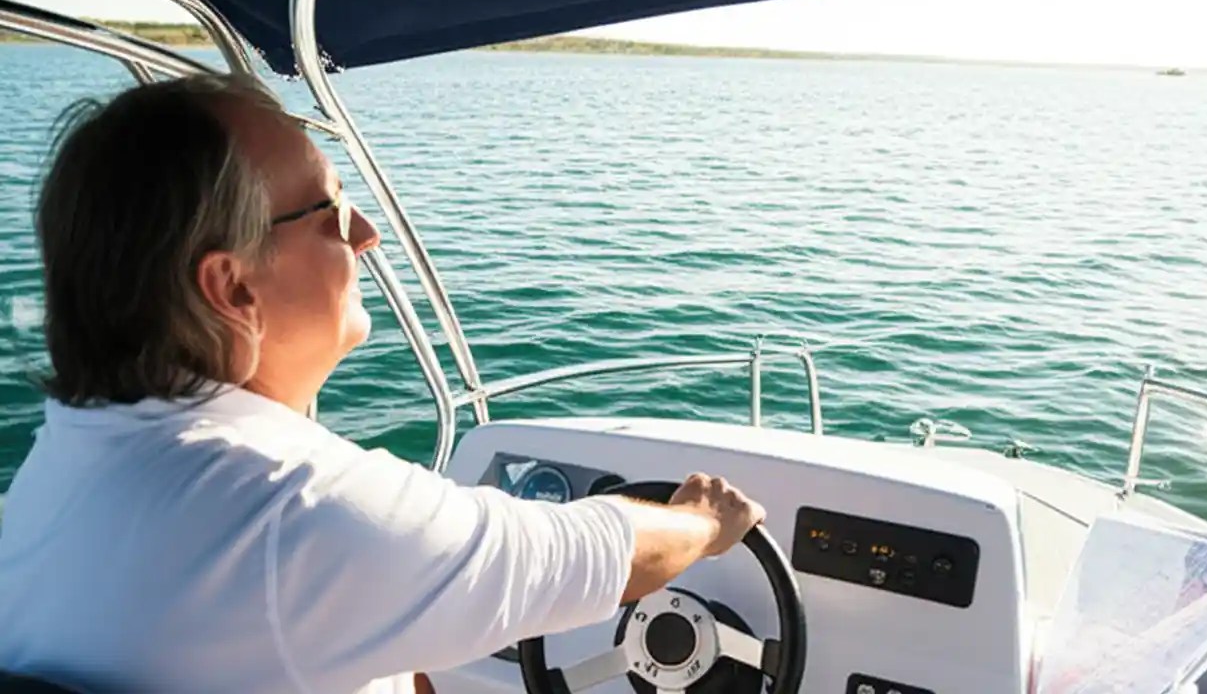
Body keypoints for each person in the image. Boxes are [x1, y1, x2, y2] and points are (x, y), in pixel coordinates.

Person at [0, 73, 766, 694]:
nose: (365, 234)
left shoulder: (54, 473)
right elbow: (607, 555)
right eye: (330, 212)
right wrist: (704, 521)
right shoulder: (289, 511)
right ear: (232, 290)